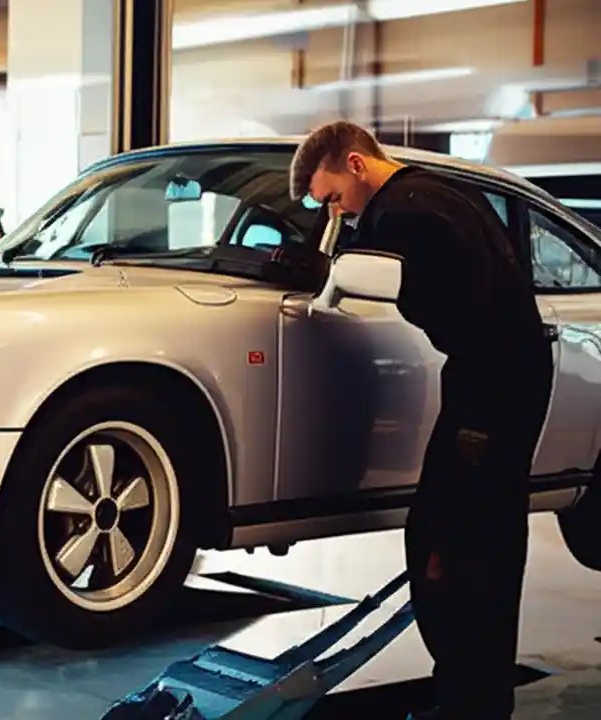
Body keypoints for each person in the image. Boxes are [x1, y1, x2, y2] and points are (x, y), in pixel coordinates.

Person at [288, 121, 555, 719]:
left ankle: (468, 702)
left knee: (452, 542)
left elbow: (404, 283)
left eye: (333, 198)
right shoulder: (431, 191)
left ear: (355, 164)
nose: (339, 215)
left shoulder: (404, 214)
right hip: (502, 374)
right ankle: (476, 698)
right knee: (483, 535)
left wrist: (343, 271)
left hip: (490, 383)